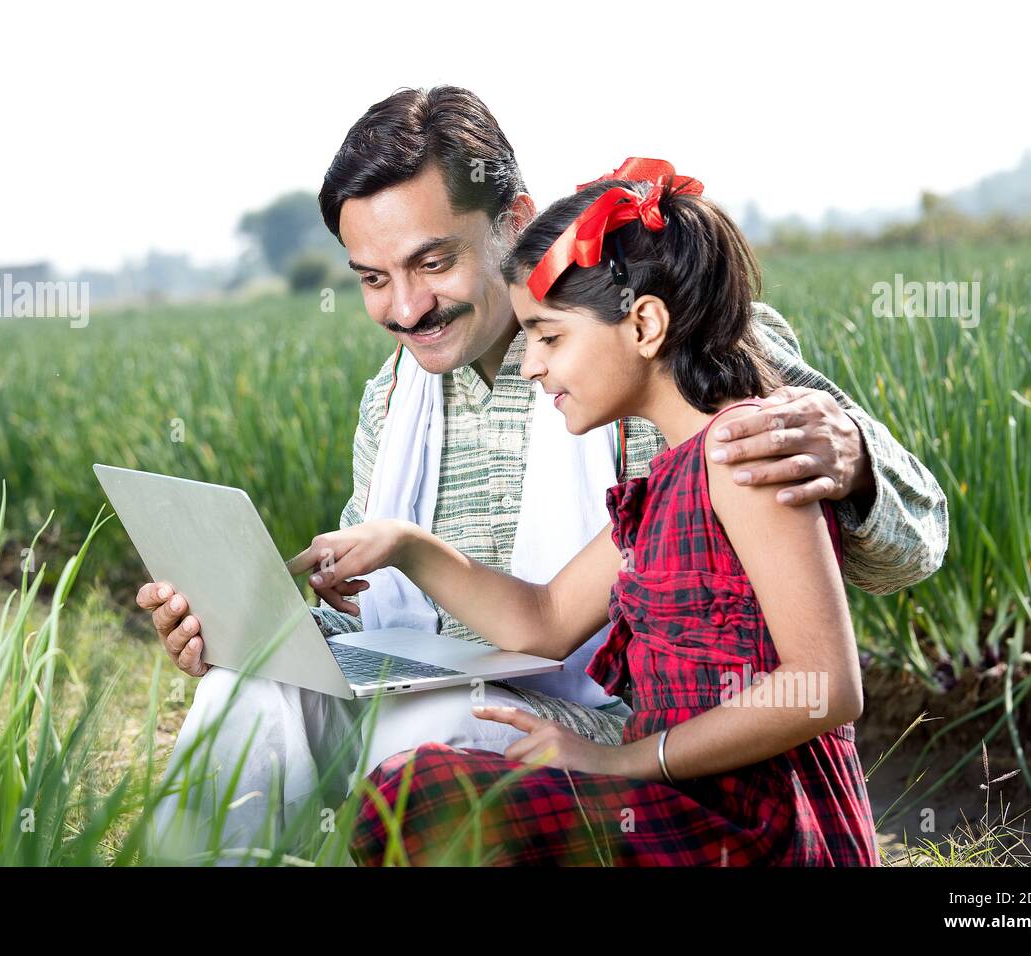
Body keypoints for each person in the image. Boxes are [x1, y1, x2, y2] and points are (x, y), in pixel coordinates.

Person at [140, 88, 946, 855]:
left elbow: (915, 545)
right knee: (237, 697)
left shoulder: (670, 343)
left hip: (634, 739)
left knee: (420, 742)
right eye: (374, 280)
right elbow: (398, 626)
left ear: (511, 224)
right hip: (445, 699)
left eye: (433, 262)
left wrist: (855, 462)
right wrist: (253, 633)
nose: (407, 308)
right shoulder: (394, 404)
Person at [289, 160, 881, 865]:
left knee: (428, 795)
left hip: (762, 823)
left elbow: (828, 690)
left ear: (645, 324)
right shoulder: (658, 490)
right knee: (422, 792)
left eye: (550, 336)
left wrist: (626, 763)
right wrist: (405, 544)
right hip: (677, 795)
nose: (533, 364)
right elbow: (540, 621)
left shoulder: (740, 453)